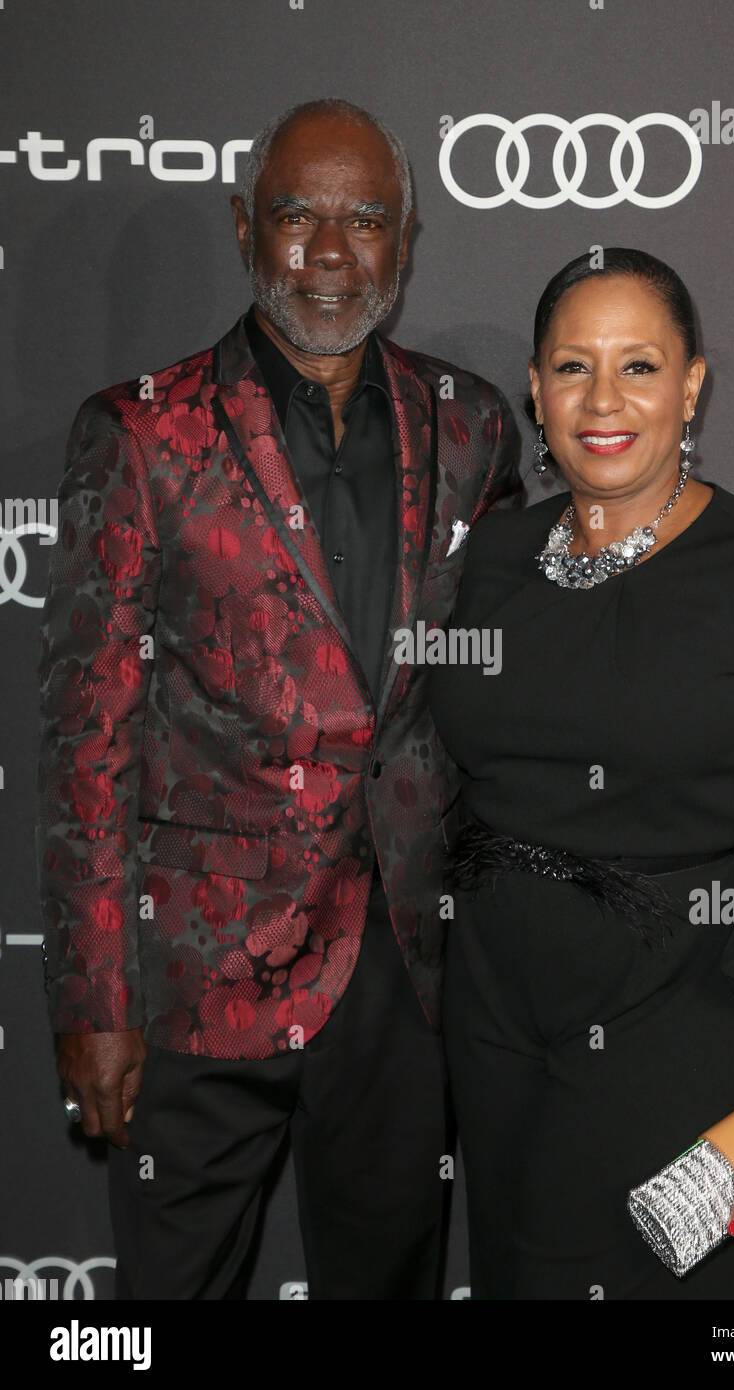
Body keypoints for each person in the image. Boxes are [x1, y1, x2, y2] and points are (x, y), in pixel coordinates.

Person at [35, 98, 522, 1300]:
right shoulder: (139, 433)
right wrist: (94, 997)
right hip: (199, 978)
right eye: (299, 215)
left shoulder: (469, 427)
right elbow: (86, 737)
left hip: (399, 979)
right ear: (244, 224)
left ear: (404, 246)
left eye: (365, 222)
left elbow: (489, 695)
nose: (330, 252)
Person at [427, 247, 734, 1300]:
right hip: (492, 1014)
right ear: (536, 390)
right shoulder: (488, 562)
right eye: (570, 367)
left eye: (637, 367)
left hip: (668, 1012)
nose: (602, 400)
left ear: (690, 385)